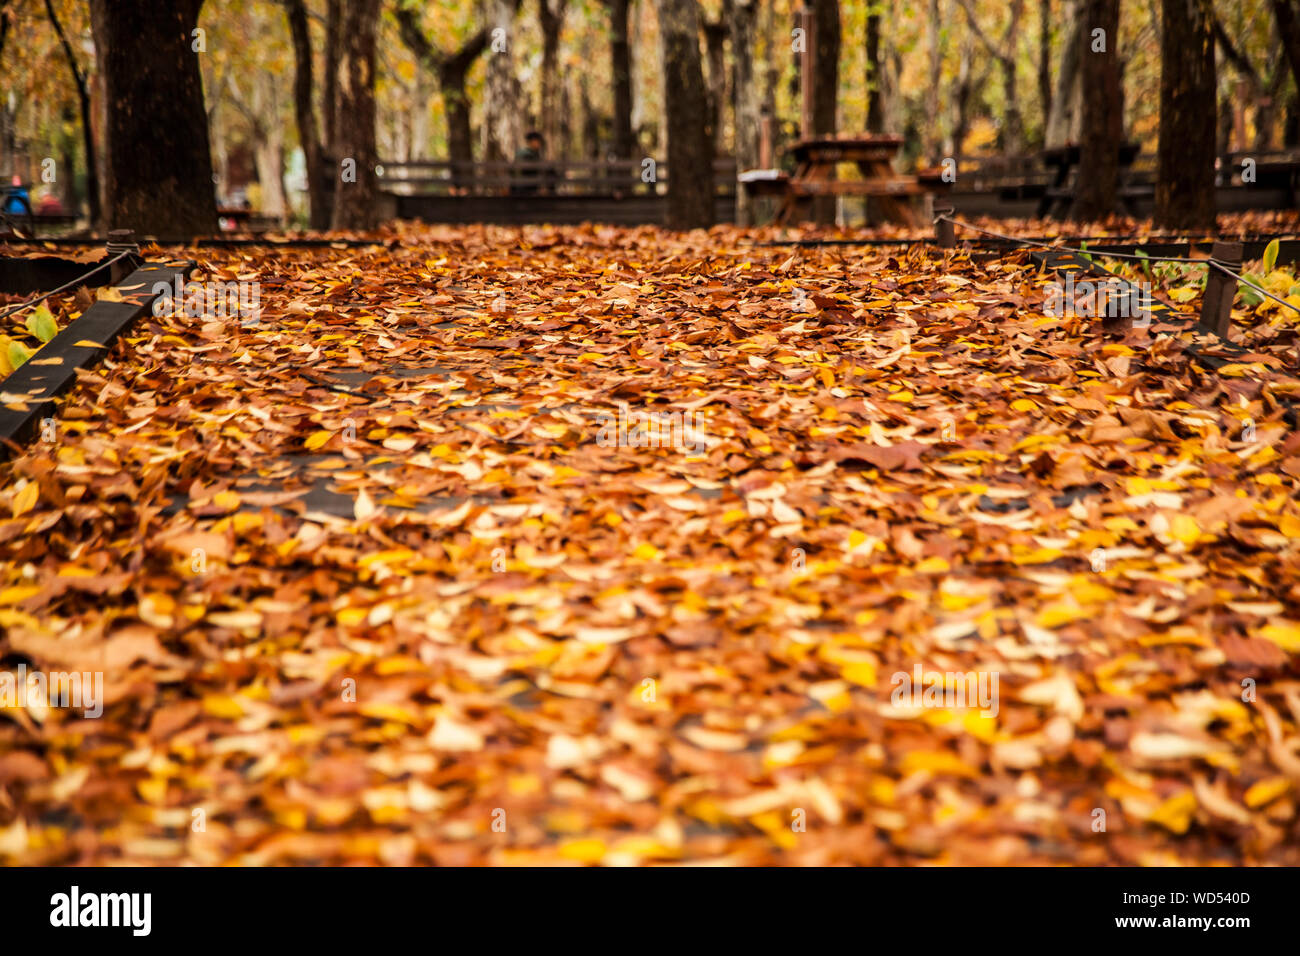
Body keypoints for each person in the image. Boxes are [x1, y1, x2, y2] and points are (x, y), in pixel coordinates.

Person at [511, 131, 546, 196]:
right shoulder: (523, 153)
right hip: (521, 186)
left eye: (539, 141)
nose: (539, 143)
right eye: (536, 141)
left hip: (529, 185)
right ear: (531, 142)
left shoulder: (536, 154)